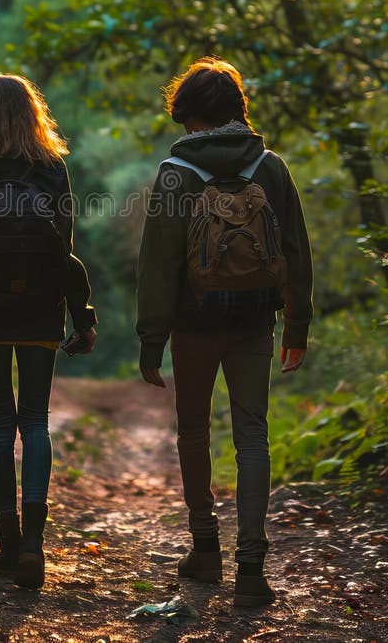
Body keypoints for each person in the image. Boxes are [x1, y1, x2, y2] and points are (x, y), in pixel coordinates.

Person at [136, 57, 313, 607]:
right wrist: (297, 324)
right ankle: (253, 569)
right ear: (237, 109)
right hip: (255, 321)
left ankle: (206, 551)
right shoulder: (271, 167)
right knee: (252, 434)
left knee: (193, 432)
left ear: (191, 115)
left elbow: (157, 262)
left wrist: (151, 338)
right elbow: (296, 250)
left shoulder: (176, 173)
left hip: (194, 324)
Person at [0, 74, 97, 589]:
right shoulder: (52, 170)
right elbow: (65, 253)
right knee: (35, 422)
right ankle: (34, 543)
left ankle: (6, 543)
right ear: (35, 115)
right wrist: (82, 316)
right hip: (40, 312)